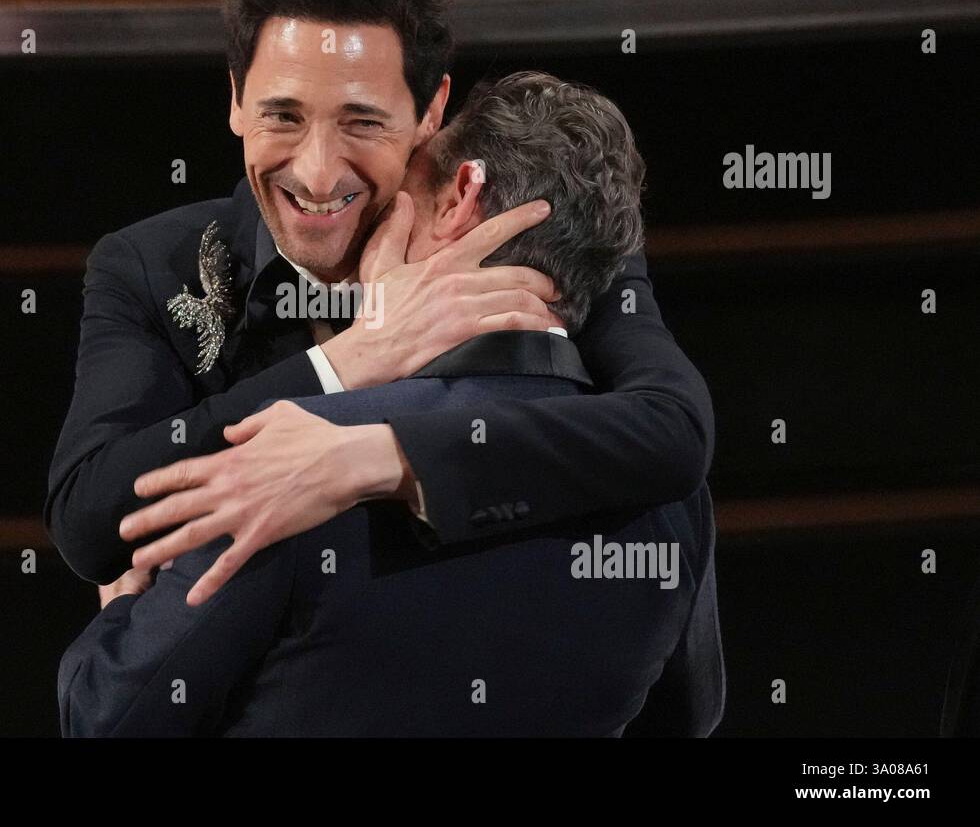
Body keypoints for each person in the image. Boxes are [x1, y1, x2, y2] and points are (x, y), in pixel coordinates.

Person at [44, 0, 714, 612]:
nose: (317, 172)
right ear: (237, 100)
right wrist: (352, 362)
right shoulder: (151, 264)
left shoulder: (524, 230)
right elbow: (91, 523)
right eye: (283, 116)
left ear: (431, 112)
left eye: (362, 122)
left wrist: (385, 457)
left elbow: (674, 433)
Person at [58, 72, 725, 736]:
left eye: (403, 181)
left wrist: (121, 609)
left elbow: (109, 720)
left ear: (461, 195)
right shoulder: (668, 492)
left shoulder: (291, 465)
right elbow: (690, 718)